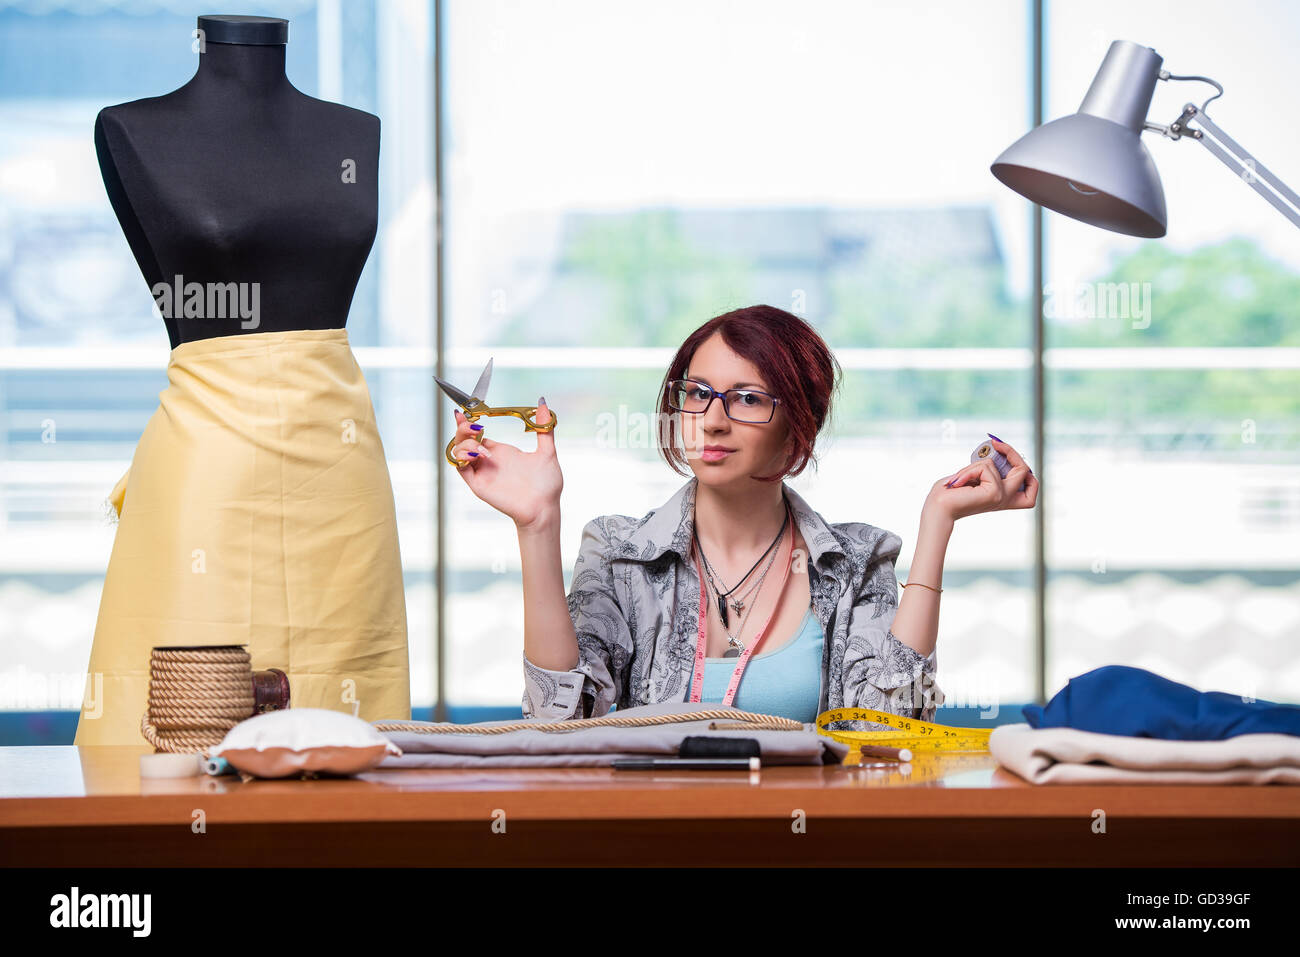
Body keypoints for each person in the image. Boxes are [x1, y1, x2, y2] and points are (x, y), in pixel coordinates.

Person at [447, 305, 1038, 726]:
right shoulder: (620, 550)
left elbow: (888, 732)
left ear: (796, 434)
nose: (713, 418)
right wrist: (537, 525)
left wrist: (937, 525)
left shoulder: (855, 562)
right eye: (697, 391)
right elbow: (560, 720)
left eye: (749, 398)